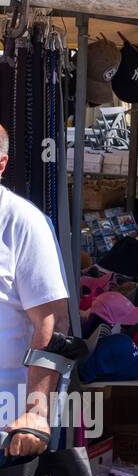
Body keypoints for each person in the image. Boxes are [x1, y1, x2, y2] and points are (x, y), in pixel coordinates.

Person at [0, 124, 69, 457]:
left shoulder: (22, 223)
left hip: (6, 422)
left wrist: (37, 411)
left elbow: (53, 322)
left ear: (1, 164)